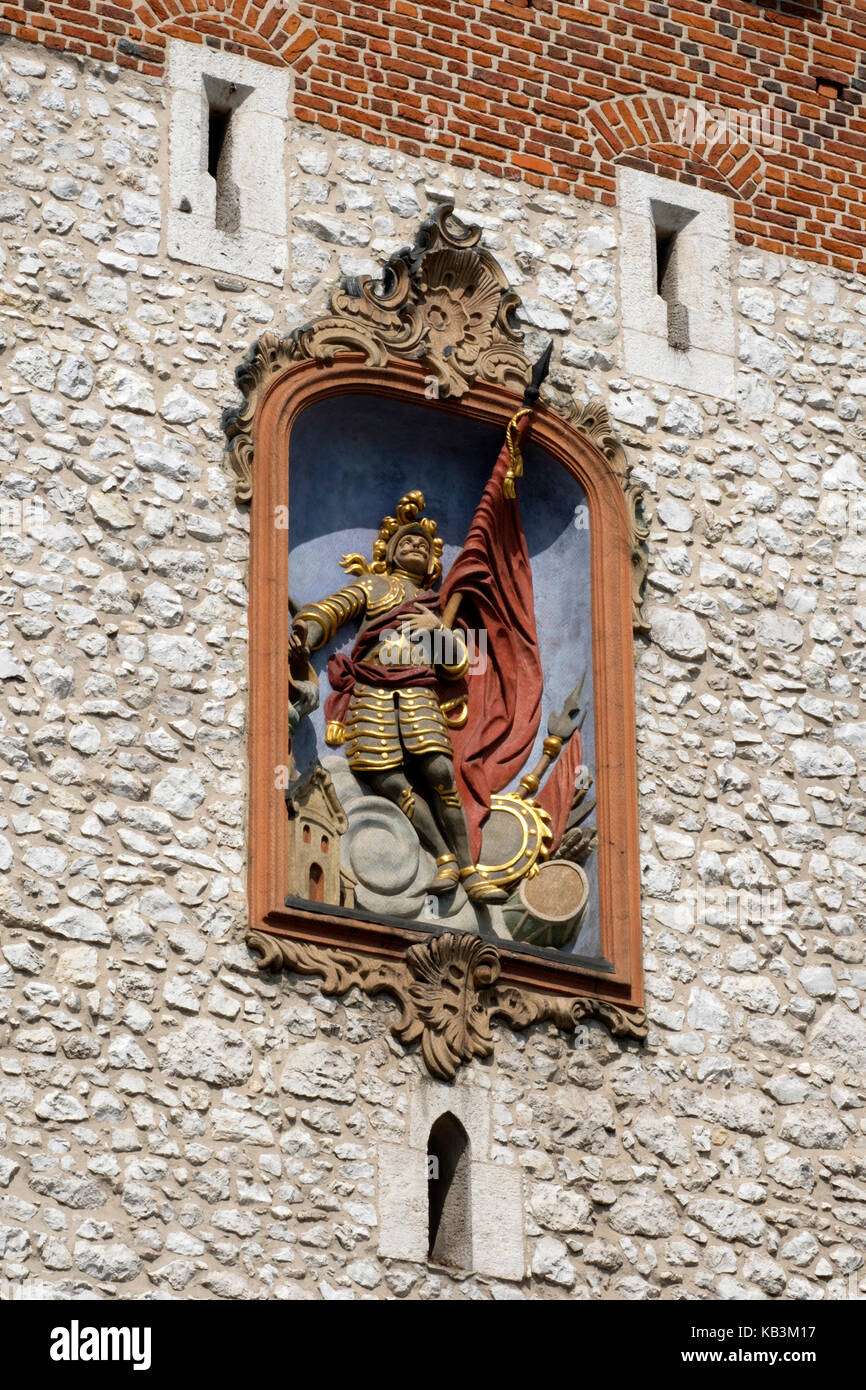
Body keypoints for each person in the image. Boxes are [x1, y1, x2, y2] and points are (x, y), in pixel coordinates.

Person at [290, 502, 506, 905]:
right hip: (372, 692)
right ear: (388, 552)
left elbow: (459, 664)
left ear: (432, 562)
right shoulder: (373, 587)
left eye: (424, 545)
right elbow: (331, 611)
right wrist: (306, 630)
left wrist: (435, 631)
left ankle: (469, 868)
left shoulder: (436, 605)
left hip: (418, 692)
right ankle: (442, 856)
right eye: (406, 541)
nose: (415, 547)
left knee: (440, 771)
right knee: (389, 780)